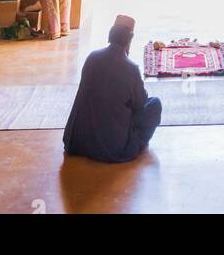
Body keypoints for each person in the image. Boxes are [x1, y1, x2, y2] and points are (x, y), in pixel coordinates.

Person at [63, 14, 161, 163]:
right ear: (129, 40)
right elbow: (140, 104)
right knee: (154, 104)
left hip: (77, 142)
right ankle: (134, 143)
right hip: (112, 148)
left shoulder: (92, 58)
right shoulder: (130, 69)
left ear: (110, 35)